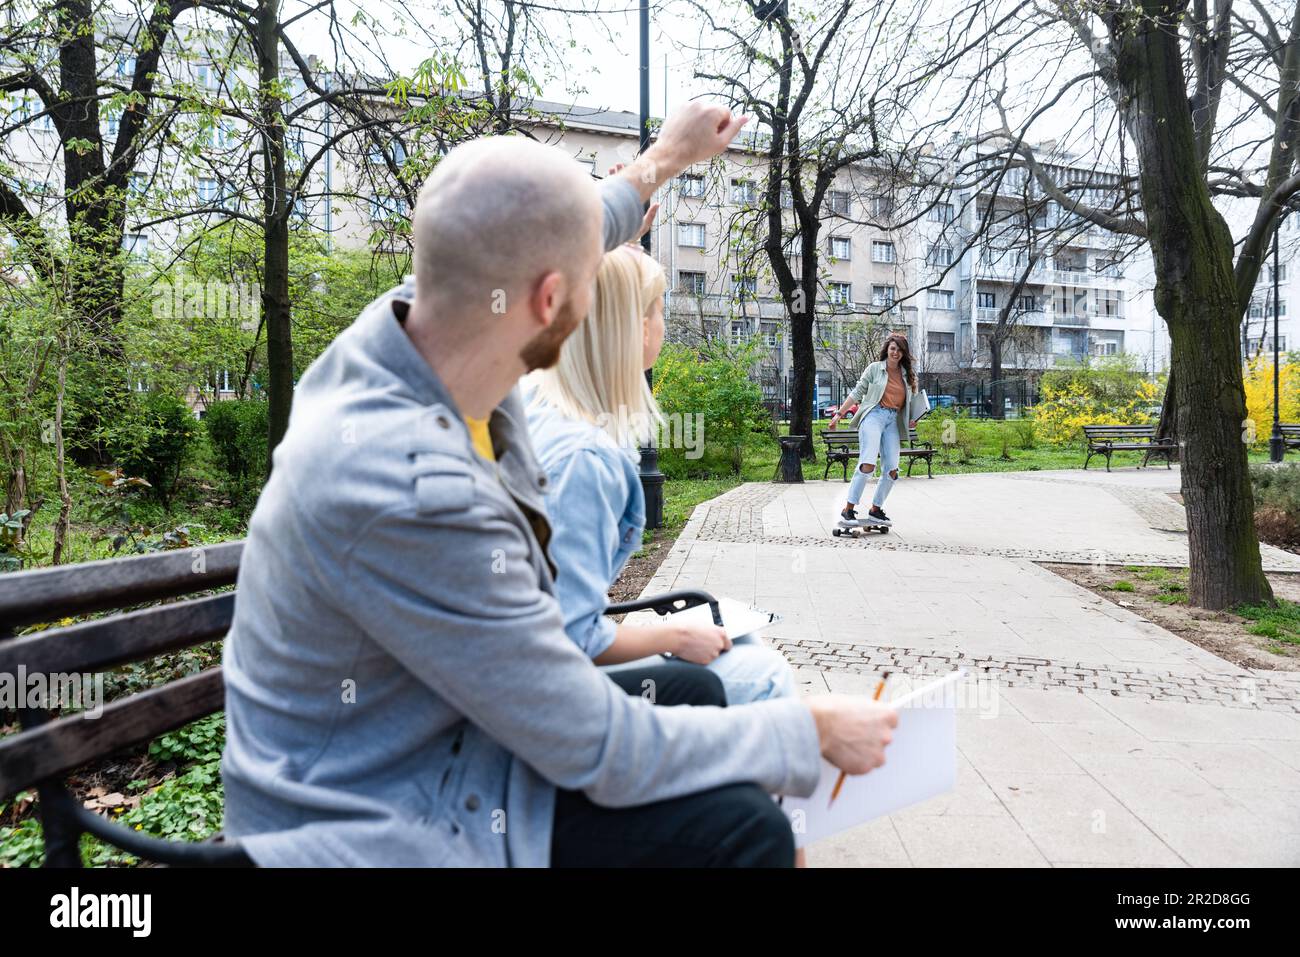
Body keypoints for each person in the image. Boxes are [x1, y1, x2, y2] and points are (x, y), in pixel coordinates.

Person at [220, 103, 898, 868]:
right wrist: (807, 731)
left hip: (439, 736)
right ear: (551, 300)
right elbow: (593, 743)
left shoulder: (424, 321)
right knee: (746, 829)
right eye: (590, 279)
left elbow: (576, 225)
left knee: (696, 704)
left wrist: (664, 161)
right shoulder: (411, 486)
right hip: (380, 812)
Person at [526, 244, 795, 704]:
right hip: (537, 694)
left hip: (514, 666)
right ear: (630, 329)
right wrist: (671, 638)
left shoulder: (537, 398)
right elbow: (568, 638)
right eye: (657, 310)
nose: (663, 325)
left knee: (741, 641)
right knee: (764, 674)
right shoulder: (584, 460)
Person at [828, 333, 918, 525]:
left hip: (893, 421)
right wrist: (839, 414)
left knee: (892, 470)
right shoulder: (875, 369)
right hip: (873, 416)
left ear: (903, 353)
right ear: (887, 349)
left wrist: (912, 419)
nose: (896, 353)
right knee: (868, 463)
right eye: (893, 348)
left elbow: (909, 404)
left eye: (900, 350)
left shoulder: (906, 375)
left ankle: (875, 510)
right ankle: (848, 509)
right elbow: (857, 392)